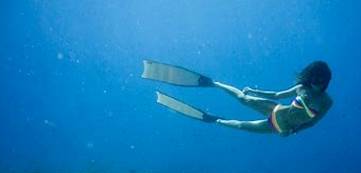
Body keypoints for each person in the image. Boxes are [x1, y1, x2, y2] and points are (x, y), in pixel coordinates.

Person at [142, 60, 332, 136]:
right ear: (311, 77)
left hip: (279, 127)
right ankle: (214, 83)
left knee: (242, 126)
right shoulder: (301, 88)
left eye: (320, 80)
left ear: (326, 81)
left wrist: (293, 132)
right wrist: (254, 91)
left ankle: (214, 119)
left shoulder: (327, 102)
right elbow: (276, 95)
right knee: (242, 97)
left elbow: (313, 123)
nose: (316, 82)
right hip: (275, 110)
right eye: (314, 78)